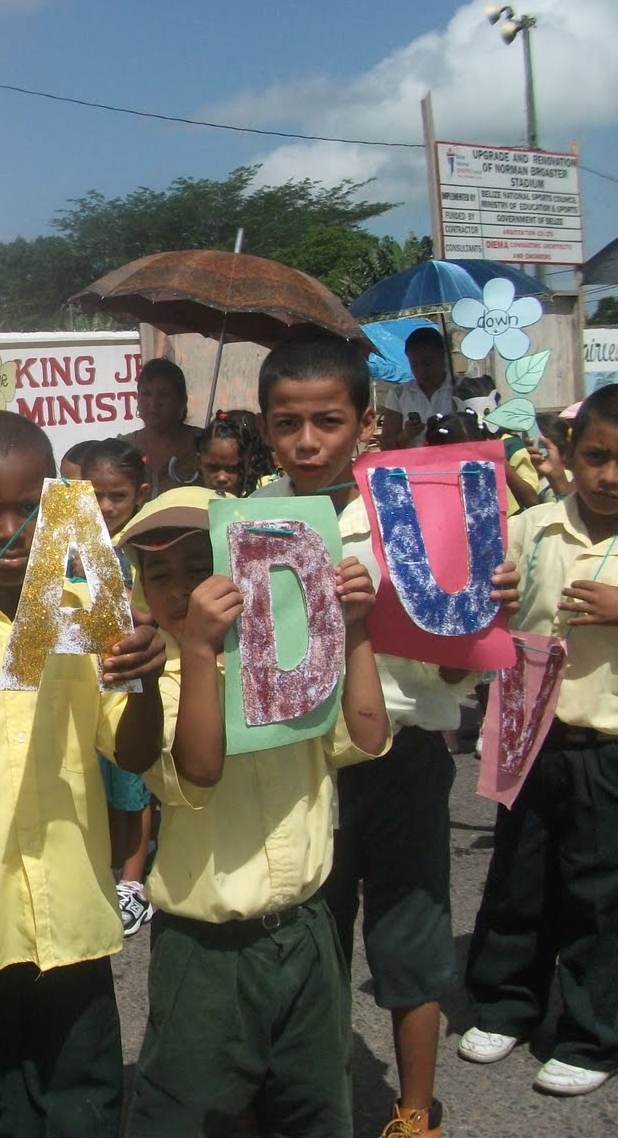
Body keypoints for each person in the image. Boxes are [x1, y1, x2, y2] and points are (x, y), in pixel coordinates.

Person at [249, 336, 519, 1138]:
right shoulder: (250, 520)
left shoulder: (413, 508)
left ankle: (414, 1111)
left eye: (328, 421)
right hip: (301, 761)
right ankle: (313, 1103)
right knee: (309, 937)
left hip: (403, 757)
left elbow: (454, 669)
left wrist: (484, 610)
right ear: (265, 429)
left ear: (367, 421)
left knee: (412, 939)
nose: (307, 442)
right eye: (288, 423)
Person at [0, 411, 166, 1137]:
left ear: (57, 504)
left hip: (72, 922)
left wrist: (144, 679)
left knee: (83, 1108)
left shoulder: (87, 612)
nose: (10, 530)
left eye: (29, 508)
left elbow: (134, 755)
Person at [119, 483, 388, 1138]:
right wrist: (201, 650)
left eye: (200, 566)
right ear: (139, 589)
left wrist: (353, 628)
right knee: (185, 1111)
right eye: (160, 575)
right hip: (205, 950)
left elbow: (368, 733)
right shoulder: (158, 678)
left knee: (313, 1104)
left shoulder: (295, 653)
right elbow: (200, 769)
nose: (181, 590)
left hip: (307, 929)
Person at [460, 384, 618, 1099]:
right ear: (570, 454)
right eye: (597, 457)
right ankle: (505, 1003)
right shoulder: (535, 527)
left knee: (599, 893)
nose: (609, 476)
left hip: (606, 747)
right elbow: (487, 592)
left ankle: (591, 1034)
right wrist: (491, 590)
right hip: (529, 734)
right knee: (519, 875)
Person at [60, 439, 158, 937]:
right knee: (95, 784)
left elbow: (156, 612)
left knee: (131, 789)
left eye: (117, 495)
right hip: (86, 682)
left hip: (130, 684)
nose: (104, 505)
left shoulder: (145, 547)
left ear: (140, 493)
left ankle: (133, 882)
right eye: (94, 494)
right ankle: (105, 869)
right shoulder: (65, 547)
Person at [120, 358, 202, 496]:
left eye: (164, 394)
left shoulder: (202, 444)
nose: (153, 402)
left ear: (182, 401)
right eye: (146, 394)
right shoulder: (123, 448)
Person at [379, 327, 461, 450]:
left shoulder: (462, 388)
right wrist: (406, 435)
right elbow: (385, 446)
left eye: (428, 363)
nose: (422, 371)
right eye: (414, 365)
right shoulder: (399, 394)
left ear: (443, 356)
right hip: (413, 461)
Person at [195, 409, 269, 496]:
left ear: (250, 464)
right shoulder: (188, 499)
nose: (221, 478)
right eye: (213, 468)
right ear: (199, 462)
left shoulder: (268, 496)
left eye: (232, 469)